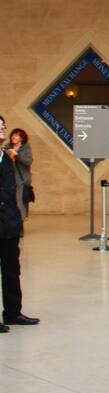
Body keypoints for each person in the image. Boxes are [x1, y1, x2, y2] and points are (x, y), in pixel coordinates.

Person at [0, 116, 37, 328]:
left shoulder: (6, 158)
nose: (4, 129)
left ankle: (13, 312)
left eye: (4, 126)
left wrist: (15, 218)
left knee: (12, 270)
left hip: (9, 224)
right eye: (1, 127)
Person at [5, 127, 33, 223]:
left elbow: (28, 161)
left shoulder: (25, 148)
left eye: (17, 136)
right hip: (8, 178)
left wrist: (17, 155)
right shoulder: (7, 147)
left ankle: (20, 222)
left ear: (21, 138)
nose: (14, 137)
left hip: (21, 179)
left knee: (20, 201)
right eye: (13, 135)